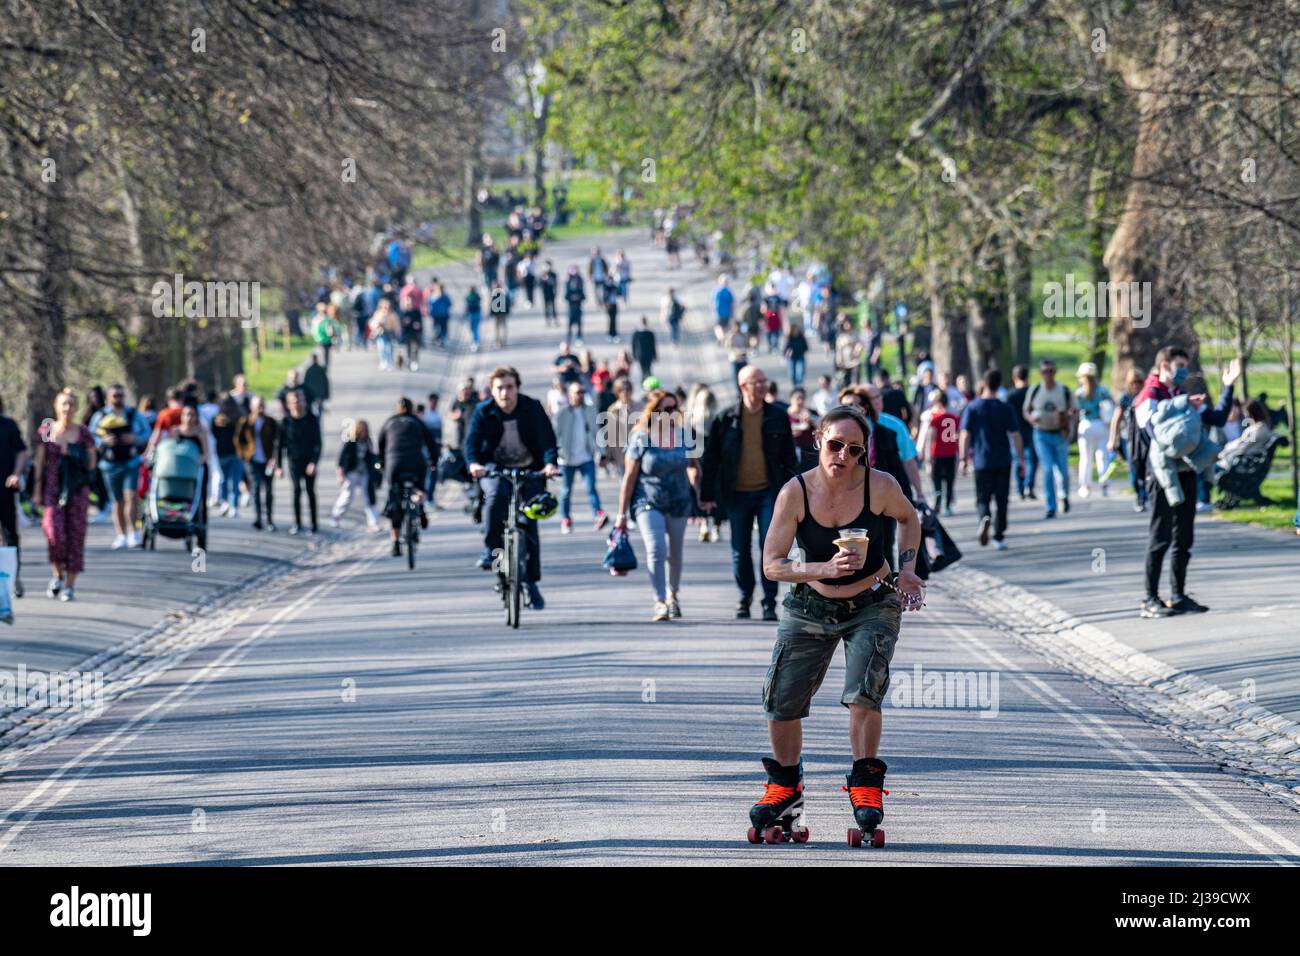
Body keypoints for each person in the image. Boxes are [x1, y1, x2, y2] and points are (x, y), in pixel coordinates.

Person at [752, 404, 925, 844]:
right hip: (811, 602)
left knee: (865, 692)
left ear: (864, 453)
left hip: (872, 600)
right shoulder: (795, 493)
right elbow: (772, 565)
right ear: (817, 441)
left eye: (854, 449)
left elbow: (909, 518)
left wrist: (906, 568)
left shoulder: (879, 487)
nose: (843, 456)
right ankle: (786, 787)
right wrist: (822, 570)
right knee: (781, 698)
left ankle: (865, 784)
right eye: (834, 445)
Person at [1134, 350, 1239, 618]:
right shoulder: (1150, 395)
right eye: (1180, 366)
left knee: (1184, 537)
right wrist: (1183, 406)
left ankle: (1177, 595)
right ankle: (1149, 598)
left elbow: (1216, 418)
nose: (1184, 371)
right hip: (1161, 475)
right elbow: (1152, 431)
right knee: (1160, 538)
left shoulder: (1181, 395)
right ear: (1165, 366)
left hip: (1186, 472)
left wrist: (1228, 385)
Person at [700, 364, 799, 621]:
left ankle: (769, 601)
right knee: (739, 549)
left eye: (764, 381)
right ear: (743, 386)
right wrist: (707, 493)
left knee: (771, 548)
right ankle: (745, 596)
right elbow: (711, 458)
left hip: (770, 493)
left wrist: (795, 492)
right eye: (757, 382)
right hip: (737, 494)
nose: (763, 386)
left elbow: (789, 457)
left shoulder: (777, 416)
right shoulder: (726, 419)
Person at [465, 367, 561, 610]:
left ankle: (531, 584)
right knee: (496, 495)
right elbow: (471, 444)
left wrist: (550, 464)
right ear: (492, 391)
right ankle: (491, 550)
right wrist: (474, 464)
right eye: (499, 388)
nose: (505, 392)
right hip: (494, 469)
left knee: (529, 523)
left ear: (517, 387)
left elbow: (548, 440)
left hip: (530, 470)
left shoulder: (532, 408)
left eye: (509, 387)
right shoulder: (483, 411)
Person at [615, 390, 699, 621]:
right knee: (657, 548)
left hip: (679, 501)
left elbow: (692, 464)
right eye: (666, 409)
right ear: (655, 412)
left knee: (675, 553)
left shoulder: (684, 435)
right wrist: (621, 514)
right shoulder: (641, 438)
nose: (671, 413)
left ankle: (673, 595)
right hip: (648, 500)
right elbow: (629, 477)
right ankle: (660, 601)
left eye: (674, 409)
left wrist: (698, 489)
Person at [35, 389, 96, 601]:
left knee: (75, 535)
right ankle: (56, 574)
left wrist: (72, 452)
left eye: (71, 404)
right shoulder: (46, 429)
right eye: (63, 404)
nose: (67, 408)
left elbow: (92, 463)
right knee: (53, 531)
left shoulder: (84, 433)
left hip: (77, 490)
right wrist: (36, 491)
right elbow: (39, 461)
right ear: (56, 406)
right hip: (52, 487)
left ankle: (69, 585)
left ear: (76, 408)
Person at [959, 369, 1025, 550]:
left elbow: (965, 434)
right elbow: (1016, 434)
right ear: (999, 384)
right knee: (1002, 499)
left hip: (981, 460)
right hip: (1003, 459)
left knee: (982, 498)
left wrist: (963, 458)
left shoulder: (972, 407)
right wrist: (1021, 459)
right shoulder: (1005, 408)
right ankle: (999, 535)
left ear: (984, 383)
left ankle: (984, 517)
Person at [89, 384, 151, 548]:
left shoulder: (133, 414)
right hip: (109, 464)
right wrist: (102, 441)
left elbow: (147, 432)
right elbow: (90, 436)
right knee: (117, 501)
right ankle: (121, 535)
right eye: (115, 396)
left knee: (131, 496)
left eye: (121, 395)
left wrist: (135, 439)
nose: (118, 399)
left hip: (131, 462)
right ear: (108, 398)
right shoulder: (100, 415)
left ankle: (133, 532)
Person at [379, 397, 438, 556]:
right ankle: (421, 509)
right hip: (415, 462)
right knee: (419, 488)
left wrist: (382, 463)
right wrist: (434, 461)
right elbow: (431, 443)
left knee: (395, 500)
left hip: (395, 464)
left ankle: (395, 542)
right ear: (412, 409)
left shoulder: (389, 422)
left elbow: (381, 444)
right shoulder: (417, 422)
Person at [552, 381, 609, 534]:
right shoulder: (561, 413)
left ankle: (598, 515)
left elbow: (597, 432)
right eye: (577, 392)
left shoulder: (590, 410)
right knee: (565, 491)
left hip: (586, 457)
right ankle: (566, 519)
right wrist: (555, 455)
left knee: (591, 488)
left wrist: (602, 453)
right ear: (569, 394)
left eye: (583, 392)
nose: (581, 395)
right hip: (566, 459)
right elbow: (554, 435)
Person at [1022, 359, 1074, 518]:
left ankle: (1063, 496)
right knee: (1047, 469)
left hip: (1060, 434)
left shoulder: (1064, 390)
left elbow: (1075, 409)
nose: (1048, 374)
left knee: (1063, 471)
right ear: (1041, 373)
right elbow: (1026, 410)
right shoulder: (1036, 390)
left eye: (1051, 371)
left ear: (1055, 372)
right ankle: (1050, 506)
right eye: (1045, 371)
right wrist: (1032, 419)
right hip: (1041, 433)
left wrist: (1067, 417)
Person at [276, 389, 321, 535]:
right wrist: (279, 466)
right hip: (294, 461)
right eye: (295, 402)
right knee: (296, 491)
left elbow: (318, 443)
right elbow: (279, 445)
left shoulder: (312, 419)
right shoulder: (286, 421)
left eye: (301, 401)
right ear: (289, 405)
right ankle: (297, 523)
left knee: (310, 492)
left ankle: (314, 524)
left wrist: (314, 462)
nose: (298, 404)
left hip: (309, 461)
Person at [236, 396, 279, 531]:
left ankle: (269, 519)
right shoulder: (246, 422)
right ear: (251, 407)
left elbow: (277, 442)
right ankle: (258, 518)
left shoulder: (271, 422)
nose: (259, 408)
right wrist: (245, 455)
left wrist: (274, 458)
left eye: (261, 405)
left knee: (269, 491)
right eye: (257, 405)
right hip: (252, 460)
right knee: (255, 488)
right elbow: (238, 440)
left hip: (267, 461)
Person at [0, 396, 29, 597]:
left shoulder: (7, 425)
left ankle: (14, 576)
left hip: (5, 487)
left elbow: (21, 451)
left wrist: (16, 474)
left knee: (10, 534)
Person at [1108, 367, 1147, 511]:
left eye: (1139, 382)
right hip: (1128, 438)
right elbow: (1116, 420)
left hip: (1145, 437)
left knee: (1147, 468)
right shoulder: (1125, 397)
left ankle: (1145, 494)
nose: (1136, 385)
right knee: (1134, 469)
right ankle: (1139, 495)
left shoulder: (1147, 395)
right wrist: (1112, 440)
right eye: (1133, 382)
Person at [915, 390, 960, 516]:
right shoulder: (954, 418)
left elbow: (933, 436)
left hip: (937, 452)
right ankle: (948, 506)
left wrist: (926, 452)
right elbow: (957, 436)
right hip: (950, 452)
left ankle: (938, 497)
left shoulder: (935, 418)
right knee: (950, 480)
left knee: (937, 479)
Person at [331, 419, 380, 532]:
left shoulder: (368, 442)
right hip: (352, 472)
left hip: (364, 473)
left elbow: (372, 457)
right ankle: (336, 516)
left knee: (369, 497)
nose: (363, 433)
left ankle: (374, 522)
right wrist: (340, 474)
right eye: (361, 430)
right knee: (347, 496)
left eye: (365, 430)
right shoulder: (350, 441)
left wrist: (373, 455)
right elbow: (341, 459)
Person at [1074, 362, 1113, 498]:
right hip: (1101, 425)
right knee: (1102, 456)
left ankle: (1085, 486)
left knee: (1085, 457)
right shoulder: (1103, 390)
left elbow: (1074, 410)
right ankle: (1104, 485)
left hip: (1086, 425)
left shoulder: (1079, 393)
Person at [1005, 364, 1037, 500]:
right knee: (1032, 459)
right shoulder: (1032, 392)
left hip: (1015, 430)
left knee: (1018, 459)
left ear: (1014, 377)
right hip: (1030, 428)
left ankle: (1020, 489)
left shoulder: (1010, 395)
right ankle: (1028, 485)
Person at [210, 395, 244, 518]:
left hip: (229, 453)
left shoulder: (218, 419)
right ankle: (230, 505)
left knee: (228, 480)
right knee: (230, 480)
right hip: (229, 453)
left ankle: (229, 504)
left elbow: (215, 435)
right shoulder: (238, 418)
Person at [787, 387, 819, 471]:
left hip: (810, 453)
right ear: (791, 399)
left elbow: (822, 428)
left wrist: (811, 421)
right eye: (798, 398)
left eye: (803, 398)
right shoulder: (784, 415)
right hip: (791, 452)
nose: (800, 401)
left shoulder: (811, 413)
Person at [310, 302, 340, 370]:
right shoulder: (327, 319)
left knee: (321, 353)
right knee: (325, 354)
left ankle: (322, 367)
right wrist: (334, 340)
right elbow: (330, 331)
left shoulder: (316, 319)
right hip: (325, 339)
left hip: (320, 339)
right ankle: (324, 366)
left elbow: (313, 330)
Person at [302, 353, 330, 418]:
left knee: (314, 409)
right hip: (317, 393)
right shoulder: (319, 369)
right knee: (317, 409)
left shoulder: (310, 370)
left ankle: (316, 422)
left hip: (314, 394)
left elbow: (305, 382)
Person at [631, 316, 658, 380]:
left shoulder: (638, 333)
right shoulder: (647, 333)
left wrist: (634, 355)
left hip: (642, 355)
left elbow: (633, 345)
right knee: (646, 369)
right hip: (646, 354)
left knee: (645, 369)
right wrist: (655, 355)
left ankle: (646, 382)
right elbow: (633, 345)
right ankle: (646, 381)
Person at [564, 266, 585, 344]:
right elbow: (566, 295)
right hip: (571, 306)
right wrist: (571, 297)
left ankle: (579, 337)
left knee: (579, 322)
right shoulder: (568, 281)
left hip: (578, 305)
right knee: (570, 322)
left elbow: (583, 294)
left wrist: (578, 297)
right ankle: (569, 337)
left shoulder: (580, 281)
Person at [784, 322, 809, 388]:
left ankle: (799, 385)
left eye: (797, 330)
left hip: (800, 356)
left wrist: (801, 350)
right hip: (792, 358)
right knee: (792, 373)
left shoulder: (801, 338)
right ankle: (794, 385)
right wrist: (787, 354)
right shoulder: (789, 338)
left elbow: (806, 347)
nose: (796, 331)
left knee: (800, 371)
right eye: (795, 330)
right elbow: (786, 349)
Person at [713, 275, 735, 346]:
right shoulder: (729, 292)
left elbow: (714, 303)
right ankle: (726, 340)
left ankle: (721, 338)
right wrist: (733, 313)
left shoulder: (717, 291)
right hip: (728, 313)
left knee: (718, 327)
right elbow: (733, 304)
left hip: (720, 313)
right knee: (726, 327)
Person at [489, 280, 511, 348]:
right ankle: (503, 340)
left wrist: (491, 313)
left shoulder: (494, 293)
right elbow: (508, 303)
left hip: (496, 312)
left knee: (496, 327)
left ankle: (497, 340)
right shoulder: (504, 293)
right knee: (503, 326)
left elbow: (491, 304)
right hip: (503, 312)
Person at [464, 285, 483, 353]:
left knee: (471, 329)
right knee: (476, 329)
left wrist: (465, 315)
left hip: (470, 315)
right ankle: (475, 342)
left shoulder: (468, 297)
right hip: (477, 314)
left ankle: (473, 342)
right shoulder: (477, 296)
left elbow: (466, 307)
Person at [540, 260, 559, 327]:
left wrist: (556, 291)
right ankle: (547, 321)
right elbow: (540, 285)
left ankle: (555, 320)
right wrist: (544, 279)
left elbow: (555, 284)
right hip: (545, 293)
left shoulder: (553, 274)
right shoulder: (542, 274)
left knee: (553, 307)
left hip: (552, 293)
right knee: (546, 307)